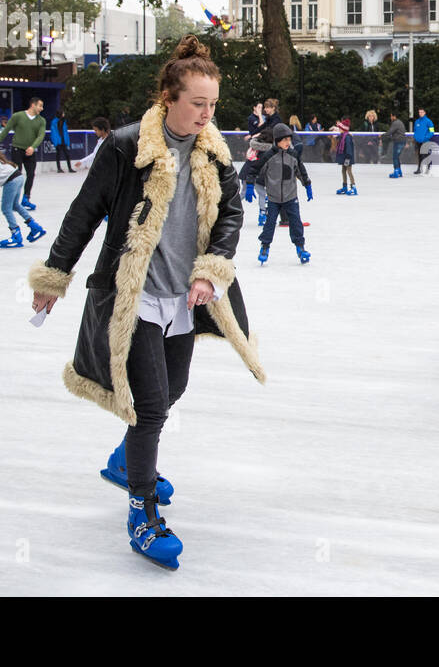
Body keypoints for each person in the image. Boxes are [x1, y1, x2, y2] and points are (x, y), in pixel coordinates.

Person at [28, 35, 263, 571]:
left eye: (212, 105)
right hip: (131, 296)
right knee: (150, 406)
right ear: (168, 98)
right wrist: (55, 275)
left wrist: (211, 269)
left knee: (173, 388)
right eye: (196, 103)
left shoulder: (213, 150)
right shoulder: (127, 147)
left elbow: (231, 214)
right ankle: (142, 511)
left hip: (184, 297)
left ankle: (124, 460)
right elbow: (84, 213)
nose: (206, 114)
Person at [252, 122, 312, 264]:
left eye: (289, 139)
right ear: (277, 140)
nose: (288, 142)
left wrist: (307, 185)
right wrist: (249, 185)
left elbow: (301, 171)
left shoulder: (293, 155)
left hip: (290, 196)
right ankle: (264, 247)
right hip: (273, 198)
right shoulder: (268, 156)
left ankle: (300, 247)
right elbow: (255, 169)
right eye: (284, 139)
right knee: (270, 223)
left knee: (296, 222)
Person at [0, 97, 46, 209]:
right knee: (17, 175)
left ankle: (26, 198)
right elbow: (6, 130)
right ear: (33, 105)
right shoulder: (17, 116)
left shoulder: (41, 120)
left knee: (31, 174)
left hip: (30, 151)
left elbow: (41, 135)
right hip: (17, 149)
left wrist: (33, 147)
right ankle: (13, 200)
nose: (42, 108)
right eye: (40, 105)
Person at [333, 117, 357, 195]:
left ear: (343, 129)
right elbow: (338, 138)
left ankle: (353, 188)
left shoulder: (347, 137)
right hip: (344, 158)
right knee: (343, 171)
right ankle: (345, 186)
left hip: (347, 158)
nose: (339, 129)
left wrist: (348, 158)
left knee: (349, 171)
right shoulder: (343, 136)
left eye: (340, 128)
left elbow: (349, 149)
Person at [50, 108, 74, 173]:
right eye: (63, 113)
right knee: (58, 154)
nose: (64, 114)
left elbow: (65, 132)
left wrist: (67, 140)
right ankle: (59, 168)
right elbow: (53, 133)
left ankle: (70, 168)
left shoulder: (64, 121)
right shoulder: (54, 122)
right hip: (58, 141)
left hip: (63, 140)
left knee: (67, 154)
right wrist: (56, 142)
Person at [412, 107, 434, 174]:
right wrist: (415, 137)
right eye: (419, 112)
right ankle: (419, 169)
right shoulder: (417, 121)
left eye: (422, 112)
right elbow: (415, 131)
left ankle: (428, 169)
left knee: (426, 155)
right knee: (419, 156)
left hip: (425, 141)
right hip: (418, 142)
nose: (420, 113)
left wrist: (425, 138)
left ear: (424, 113)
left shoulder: (428, 121)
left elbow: (431, 132)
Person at [387, 112, 406, 178]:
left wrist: (382, 136)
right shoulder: (400, 122)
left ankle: (396, 172)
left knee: (395, 157)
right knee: (397, 157)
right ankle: (399, 172)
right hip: (402, 141)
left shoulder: (395, 123)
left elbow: (390, 132)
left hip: (398, 141)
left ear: (393, 116)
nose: (390, 118)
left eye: (391, 116)